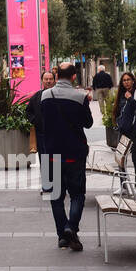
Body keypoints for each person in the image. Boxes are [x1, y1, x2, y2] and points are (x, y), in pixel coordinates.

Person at [40, 62, 93, 251]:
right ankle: (71, 227)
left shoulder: (45, 95)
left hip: (50, 154)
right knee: (77, 194)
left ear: (56, 76)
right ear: (73, 77)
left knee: (55, 197)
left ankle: (62, 236)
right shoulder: (80, 97)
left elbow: (42, 121)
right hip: (74, 154)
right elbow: (88, 123)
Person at [114, 71, 136, 180]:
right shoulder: (121, 94)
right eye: (124, 80)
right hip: (123, 130)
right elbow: (119, 112)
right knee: (121, 158)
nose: (126, 82)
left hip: (135, 130)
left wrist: (130, 99)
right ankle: (123, 185)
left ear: (133, 81)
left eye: (128, 80)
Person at [27, 70, 57, 195]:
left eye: (50, 79)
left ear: (55, 80)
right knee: (44, 159)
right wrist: (36, 121)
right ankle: (46, 185)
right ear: (42, 80)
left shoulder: (58, 95)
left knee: (56, 159)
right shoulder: (37, 96)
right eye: (46, 79)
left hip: (56, 134)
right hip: (42, 134)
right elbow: (28, 111)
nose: (48, 81)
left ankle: (58, 185)